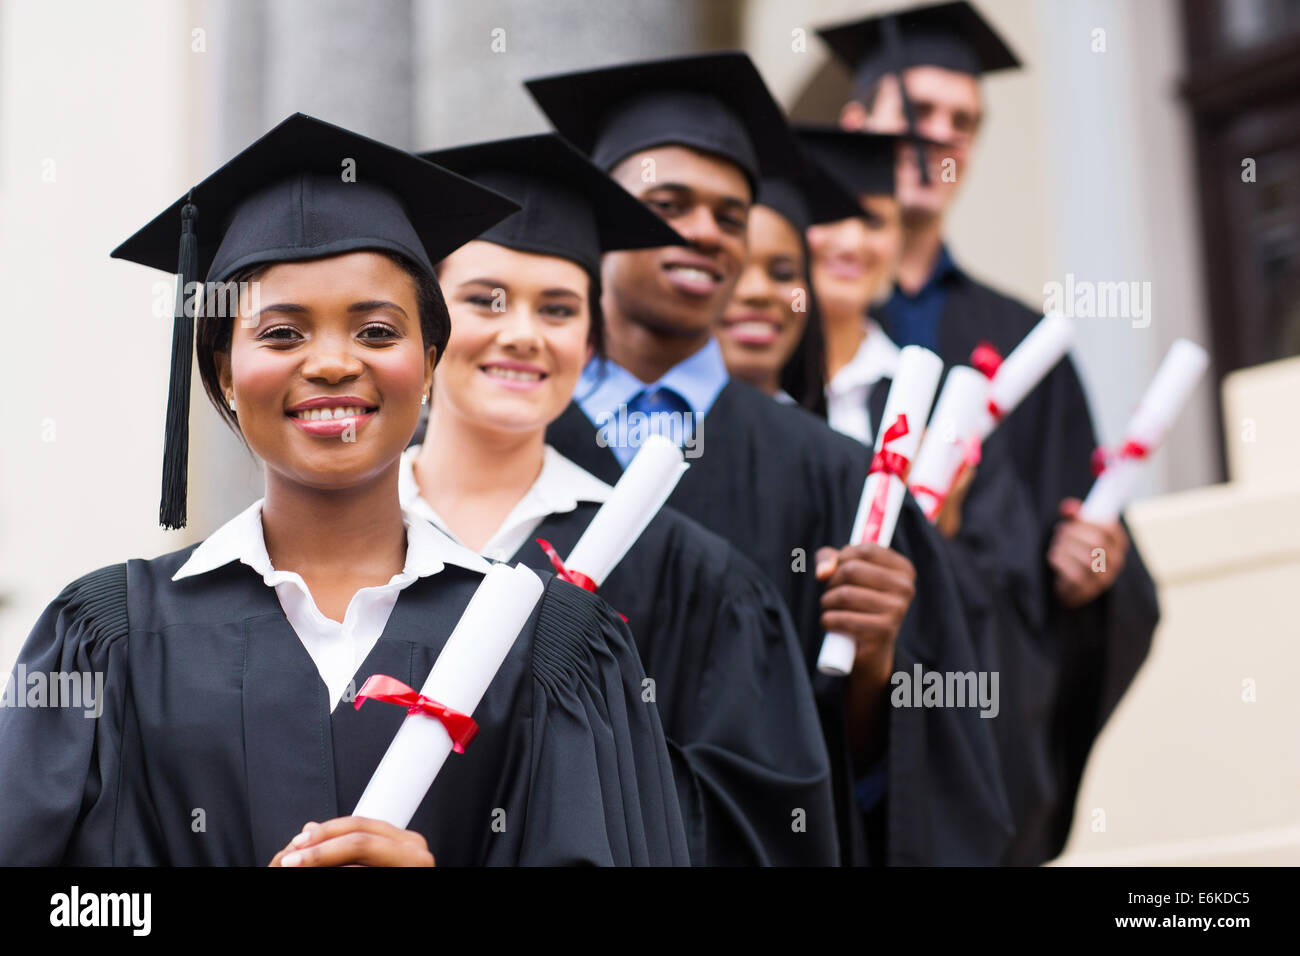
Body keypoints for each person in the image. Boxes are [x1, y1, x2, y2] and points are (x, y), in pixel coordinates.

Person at [0, 114, 689, 866]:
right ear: (224, 372)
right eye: (282, 334)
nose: (331, 363)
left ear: (430, 364)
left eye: (376, 332)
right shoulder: (108, 639)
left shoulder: (554, 648)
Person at [527, 53, 1011, 865]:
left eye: (731, 214)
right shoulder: (512, 441)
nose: (707, 234)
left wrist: (878, 657)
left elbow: (894, 782)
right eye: (669, 204)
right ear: (600, 219)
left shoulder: (831, 471)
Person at [400, 132, 839, 865]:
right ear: (425, 322)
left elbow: (760, 828)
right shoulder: (341, 541)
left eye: (559, 310)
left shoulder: (692, 572)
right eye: (485, 300)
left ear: (590, 340)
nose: (523, 335)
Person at [818, 1, 1161, 862]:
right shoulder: (805, 314)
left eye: (964, 121)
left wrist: (1093, 568)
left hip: (981, 718)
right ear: (857, 123)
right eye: (920, 112)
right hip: (827, 704)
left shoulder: (1020, 341)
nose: (943, 137)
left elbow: (1081, 545)